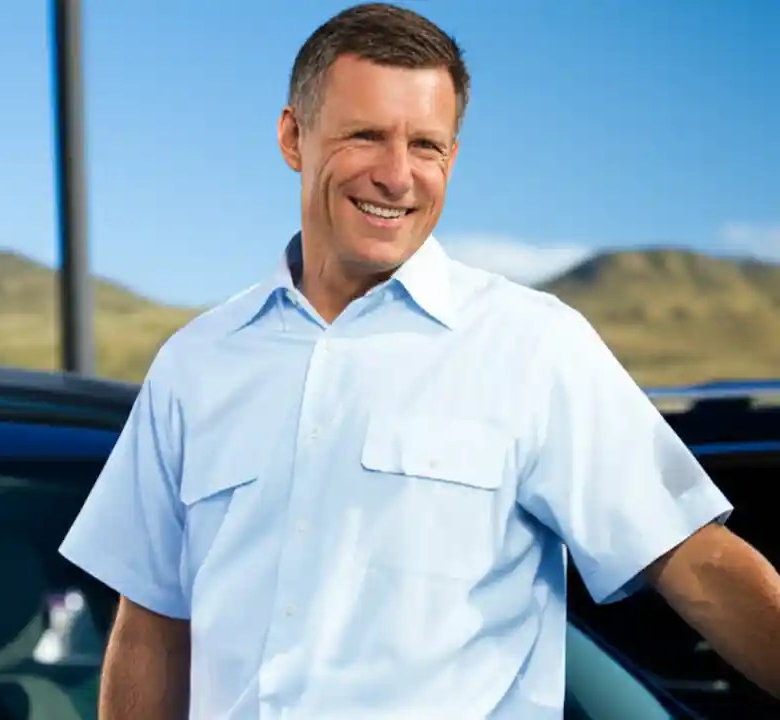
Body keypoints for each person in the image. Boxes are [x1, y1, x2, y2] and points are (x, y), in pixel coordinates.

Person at [59, 3, 780, 718]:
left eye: (427, 146)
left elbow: (700, 567)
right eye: (366, 136)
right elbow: (152, 626)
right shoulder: (196, 364)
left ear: (453, 158)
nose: (397, 176)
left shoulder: (532, 346)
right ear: (293, 136)